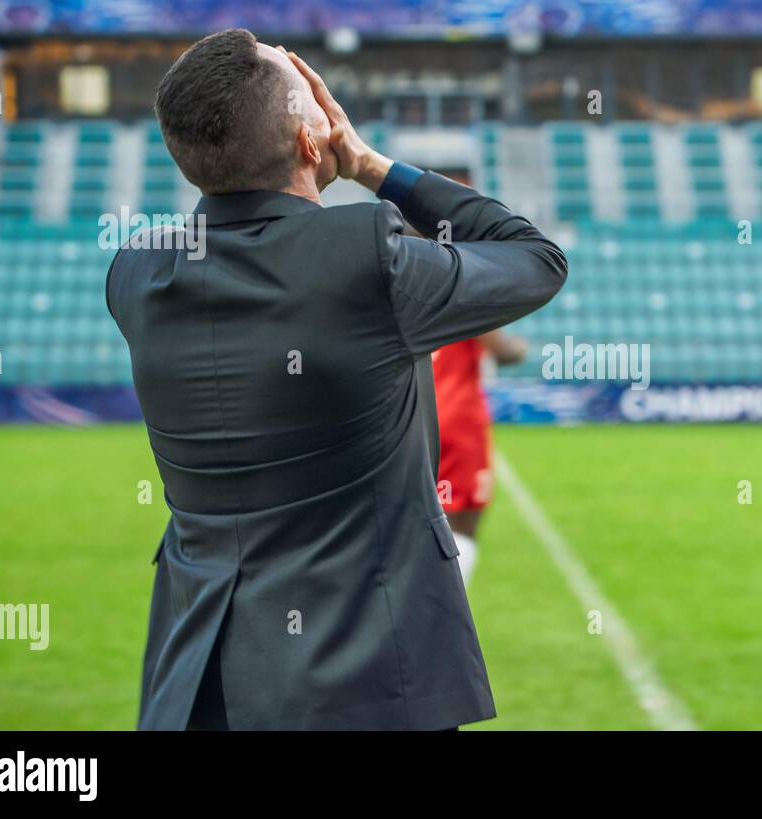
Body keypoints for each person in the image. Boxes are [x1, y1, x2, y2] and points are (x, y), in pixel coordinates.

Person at [107, 29, 566, 729]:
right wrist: (372, 166)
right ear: (307, 139)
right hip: (363, 687)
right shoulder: (364, 257)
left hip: (198, 687)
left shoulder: (137, 273)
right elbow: (534, 258)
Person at [433, 331, 527, 584]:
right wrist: (520, 347)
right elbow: (505, 353)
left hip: (415, 418)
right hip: (457, 419)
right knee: (461, 526)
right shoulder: (460, 295)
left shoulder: (406, 296)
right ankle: (444, 612)